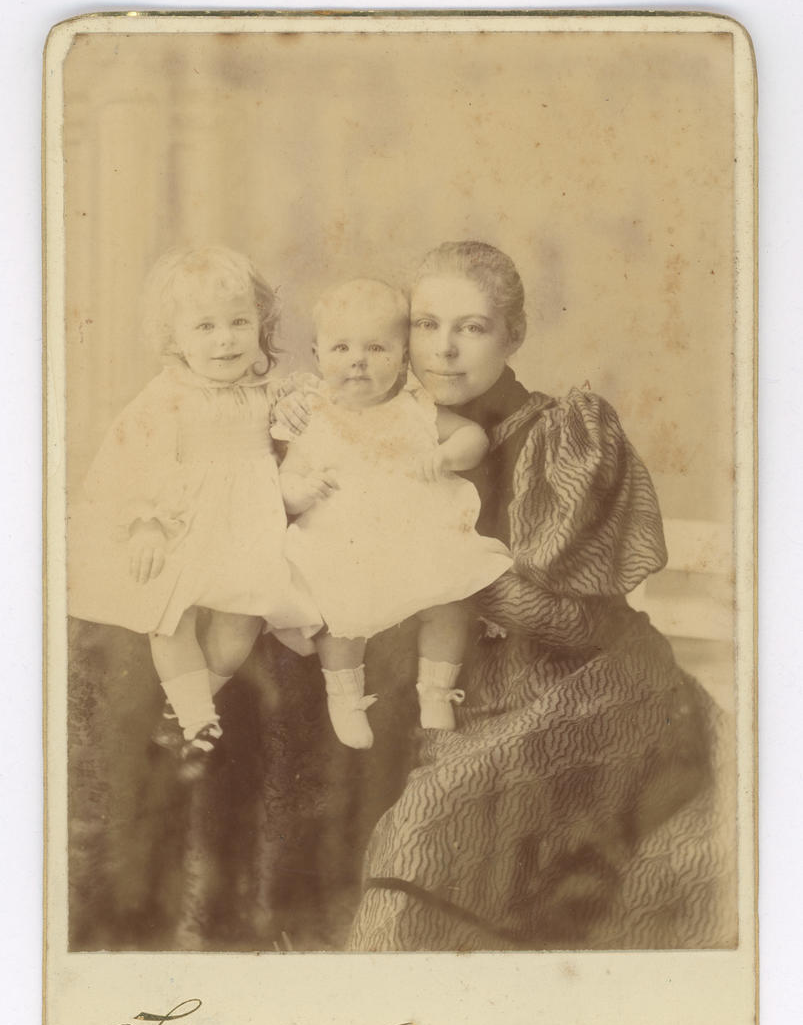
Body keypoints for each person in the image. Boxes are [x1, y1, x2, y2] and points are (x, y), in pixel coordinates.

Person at [327, 240, 735, 951]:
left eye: (472, 328)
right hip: (450, 688)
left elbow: (576, 626)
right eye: (427, 325)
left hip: (583, 688)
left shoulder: (564, 435)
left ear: (512, 335)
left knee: (433, 818)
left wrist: (452, 568)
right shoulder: (370, 429)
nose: (444, 351)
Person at [68, 245, 321, 780]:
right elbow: (131, 459)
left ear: (261, 325)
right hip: (183, 518)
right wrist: (146, 524)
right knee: (167, 614)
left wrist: (304, 407)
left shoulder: (271, 389)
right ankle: (200, 720)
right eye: (204, 327)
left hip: (250, 523)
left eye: (238, 322)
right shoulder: (167, 396)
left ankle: (185, 709)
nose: (225, 338)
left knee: (241, 621)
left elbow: (311, 424)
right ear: (176, 339)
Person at [276, 278, 513, 749]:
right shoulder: (310, 415)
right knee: (336, 615)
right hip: (340, 538)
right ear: (317, 354)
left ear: (404, 357)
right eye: (341, 347)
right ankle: (344, 698)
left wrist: (446, 457)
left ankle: (437, 693)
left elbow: (473, 437)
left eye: (377, 348)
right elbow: (284, 481)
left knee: (447, 601)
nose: (358, 360)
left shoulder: (414, 408)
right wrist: (301, 492)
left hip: (413, 533)